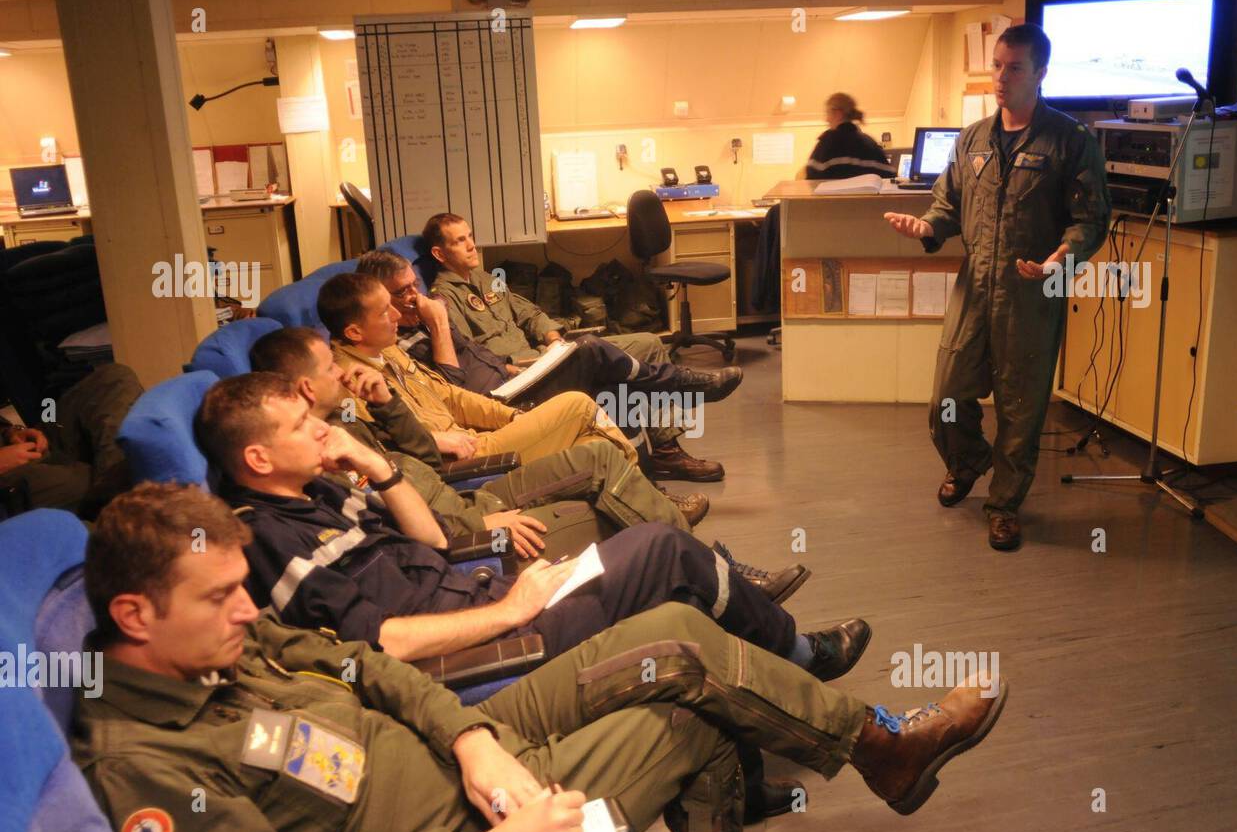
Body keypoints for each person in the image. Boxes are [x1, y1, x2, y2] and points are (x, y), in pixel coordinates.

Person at [74, 482, 1009, 832]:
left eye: (243, 584)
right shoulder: (143, 766)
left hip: (468, 752)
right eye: (219, 594)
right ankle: (880, 752)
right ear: (132, 614)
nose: (248, 605)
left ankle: (878, 745)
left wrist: (473, 735)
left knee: (678, 632)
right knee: (692, 718)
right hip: (460, 829)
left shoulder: (226, 641)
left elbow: (374, 670)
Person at [194, 372, 858, 679]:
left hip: (477, 593)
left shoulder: (320, 487)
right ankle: (799, 656)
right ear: (256, 457)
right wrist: (512, 608)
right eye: (300, 426)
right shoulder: (266, 536)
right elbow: (384, 642)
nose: (321, 428)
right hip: (476, 643)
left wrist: (376, 466)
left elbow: (427, 542)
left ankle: (776, 693)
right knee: (663, 552)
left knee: (675, 581)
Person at [884, 24, 1109, 551]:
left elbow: (1090, 220)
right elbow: (947, 203)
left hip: (1031, 293)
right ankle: (967, 461)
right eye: (997, 66)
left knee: (1020, 407)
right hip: (975, 289)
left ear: (1041, 72)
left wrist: (1061, 258)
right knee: (946, 396)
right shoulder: (973, 139)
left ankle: (1004, 504)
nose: (1001, 79)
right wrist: (929, 227)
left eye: (1014, 68)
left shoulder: (1070, 142)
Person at [248, 325, 711, 556]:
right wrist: (480, 523)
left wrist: (388, 403)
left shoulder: (345, 422)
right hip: (467, 512)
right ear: (308, 388)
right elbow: (404, 527)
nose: (341, 374)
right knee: (592, 434)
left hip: (462, 496)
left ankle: (692, 551)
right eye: (330, 368)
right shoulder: (326, 453)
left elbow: (423, 454)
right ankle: (700, 562)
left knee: (600, 453)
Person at [419, 217, 733, 482]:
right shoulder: (443, 297)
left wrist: (553, 337)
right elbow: (473, 354)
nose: (472, 245)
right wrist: (524, 362)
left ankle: (665, 450)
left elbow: (529, 312)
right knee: (596, 356)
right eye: (460, 241)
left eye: (470, 237)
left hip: (545, 355)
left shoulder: (486, 278)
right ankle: (682, 384)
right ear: (439, 253)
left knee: (649, 343)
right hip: (521, 372)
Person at [317, 271, 640, 469]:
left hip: (477, 437)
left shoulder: (387, 350)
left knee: (596, 448)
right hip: (462, 459)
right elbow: (385, 446)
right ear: (354, 332)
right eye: (383, 312)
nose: (397, 316)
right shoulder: (349, 381)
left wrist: (511, 417)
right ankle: (651, 506)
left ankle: (644, 510)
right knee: (578, 403)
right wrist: (436, 440)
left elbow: (451, 395)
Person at [0, 362, 142, 518]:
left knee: (115, 377)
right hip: (8, 481)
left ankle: (117, 488)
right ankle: (124, 505)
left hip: (20, 447)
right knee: (88, 481)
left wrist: (10, 432)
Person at [803, 92, 893, 180]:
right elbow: (890, 176)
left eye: (827, 113)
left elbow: (811, 180)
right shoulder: (870, 143)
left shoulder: (826, 143)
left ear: (838, 114)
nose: (826, 120)